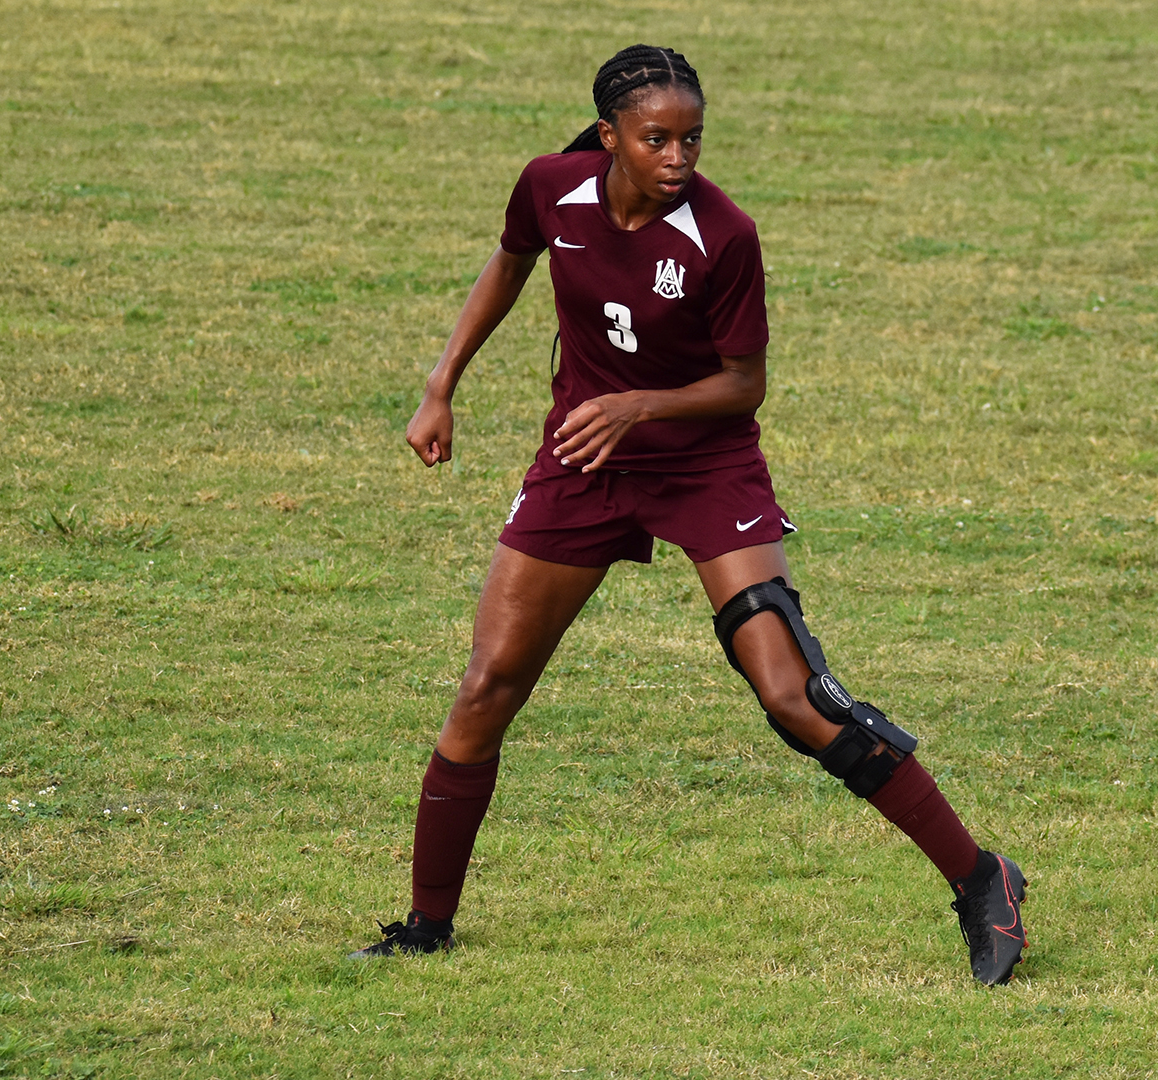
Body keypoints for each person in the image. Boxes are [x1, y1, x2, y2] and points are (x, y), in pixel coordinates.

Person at [354, 44, 1027, 985]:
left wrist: (641, 406)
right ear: (609, 136)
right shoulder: (551, 189)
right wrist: (441, 385)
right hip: (585, 459)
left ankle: (981, 877)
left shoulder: (724, 236)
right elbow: (509, 263)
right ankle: (427, 925)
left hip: (706, 466)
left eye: (693, 139)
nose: (678, 158)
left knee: (792, 695)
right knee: (486, 687)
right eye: (656, 139)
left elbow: (744, 384)